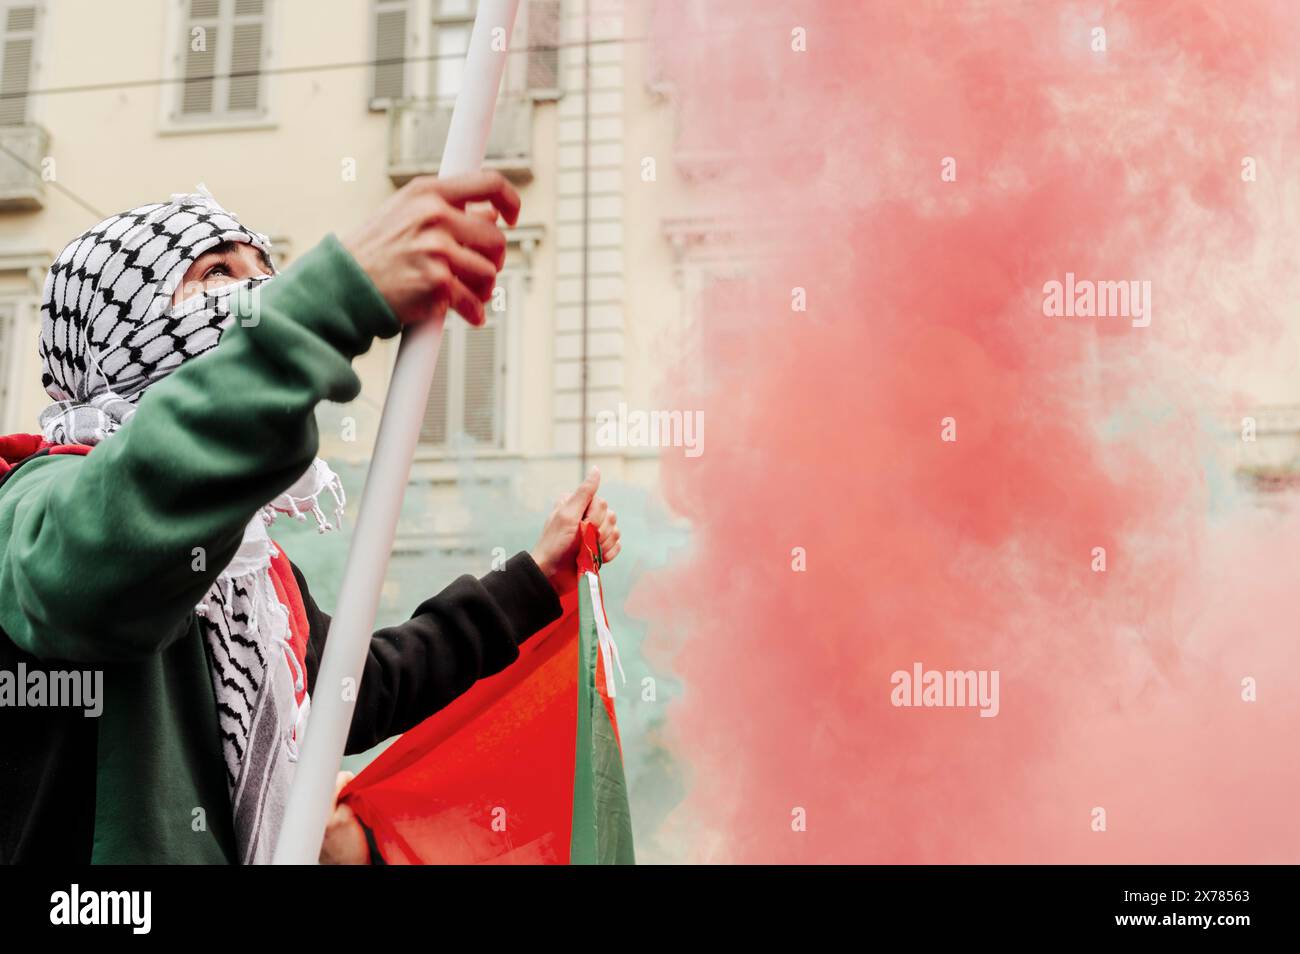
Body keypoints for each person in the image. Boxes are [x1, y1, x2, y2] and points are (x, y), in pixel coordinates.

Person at [0, 172, 621, 864]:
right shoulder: (31, 503)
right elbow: (104, 554)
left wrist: (533, 579)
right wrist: (334, 299)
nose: (253, 294)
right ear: (116, 328)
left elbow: (356, 690)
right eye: (215, 274)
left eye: (265, 274)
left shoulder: (252, 569)